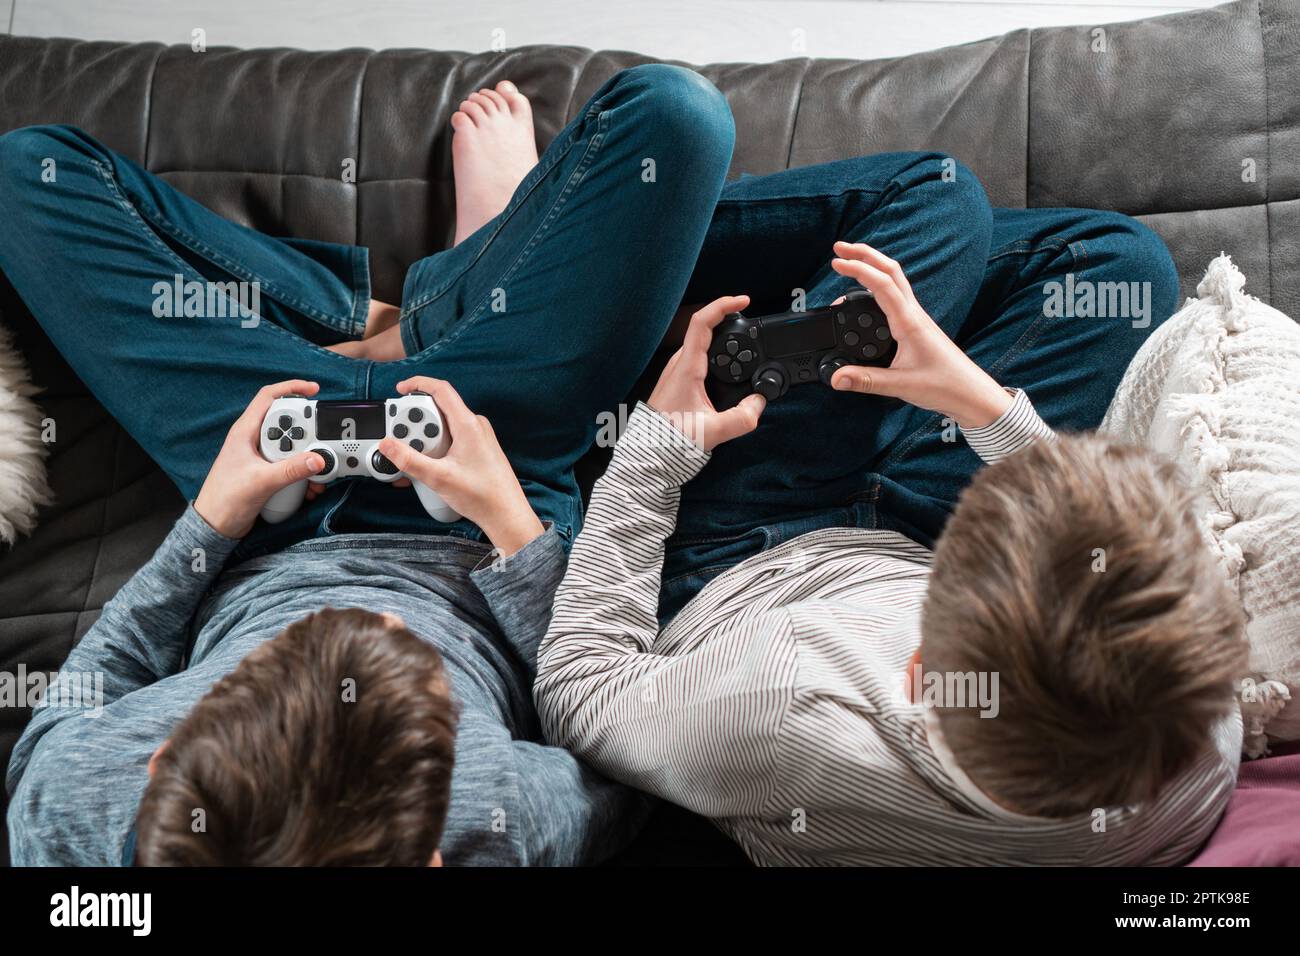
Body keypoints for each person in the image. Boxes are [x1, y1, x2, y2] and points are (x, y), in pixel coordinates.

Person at [1, 64, 736, 866]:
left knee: (21, 175)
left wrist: (210, 523)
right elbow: (617, 738)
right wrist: (513, 526)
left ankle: (406, 313)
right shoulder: (500, 829)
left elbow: (79, 704)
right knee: (678, 114)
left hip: (256, 500)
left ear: (157, 766)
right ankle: (457, 290)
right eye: (400, 658)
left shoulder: (71, 820)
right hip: (481, 489)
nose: (361, 621)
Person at [533, 224, 1249, 863]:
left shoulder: (783, 710)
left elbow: (578, 689)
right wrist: (976, 400)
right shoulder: (1193, 726)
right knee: (1119, 268)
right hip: (912, 542)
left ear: (919, 668)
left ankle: (561, 263)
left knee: (942, 204)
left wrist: (651, 453)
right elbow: (1092, 542)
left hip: (738, 562)